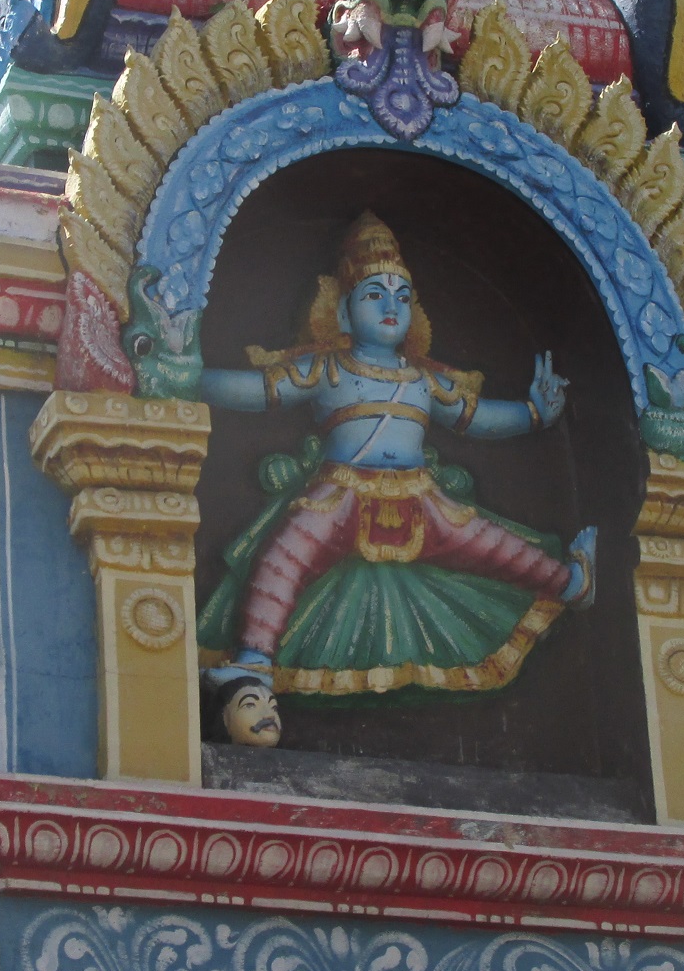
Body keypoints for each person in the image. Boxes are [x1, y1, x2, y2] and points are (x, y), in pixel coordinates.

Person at [202, 212, 595, 686]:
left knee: (494, 546)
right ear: (342, 312)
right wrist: (192, 379)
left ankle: (572, 583)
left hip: (422, 498)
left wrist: (534, 414)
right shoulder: (327, 369)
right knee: (284, 557)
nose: (391, 305)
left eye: (402, 297)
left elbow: (476, 417)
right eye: (374, 295)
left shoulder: (424, 379)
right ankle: (254, 658)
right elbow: (261, 391)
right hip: (340, 493)